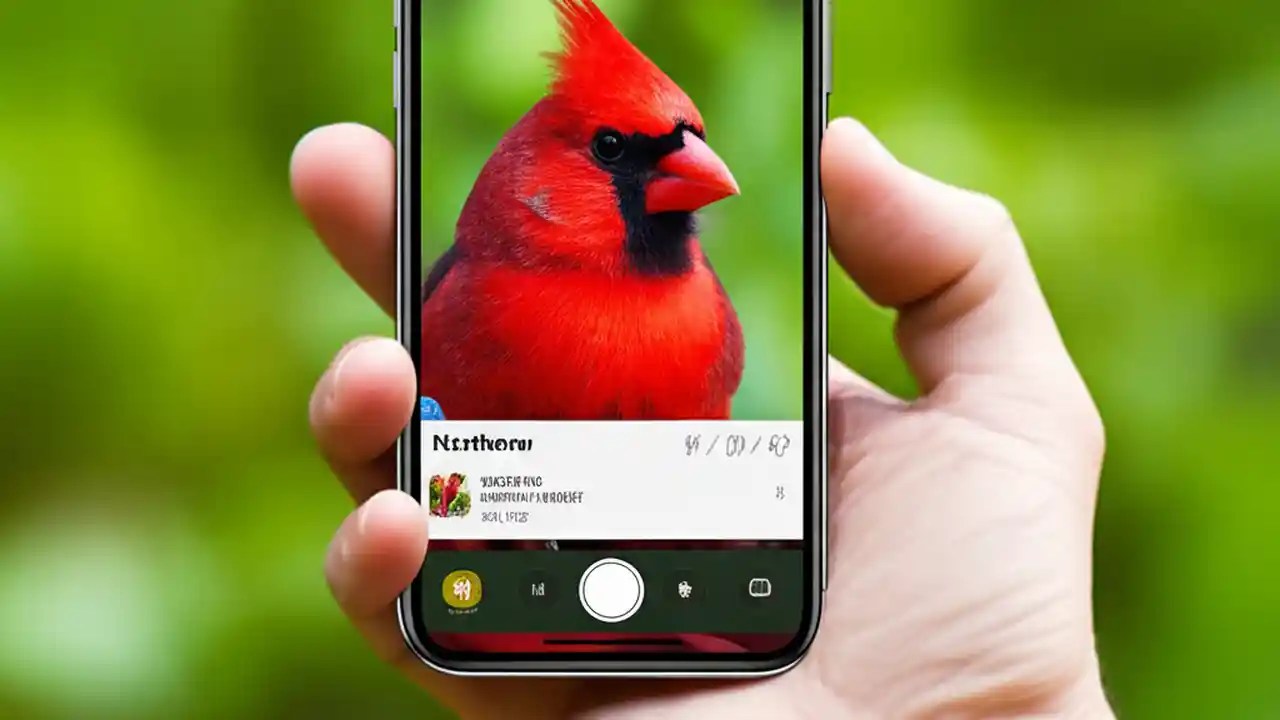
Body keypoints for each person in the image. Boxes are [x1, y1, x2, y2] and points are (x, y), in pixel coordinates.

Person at [292, 118, 1114, 719]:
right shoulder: (457, 295)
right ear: (525, 176)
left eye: (687, 143)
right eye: (616, 150)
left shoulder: (707, 315)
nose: (690, 166)